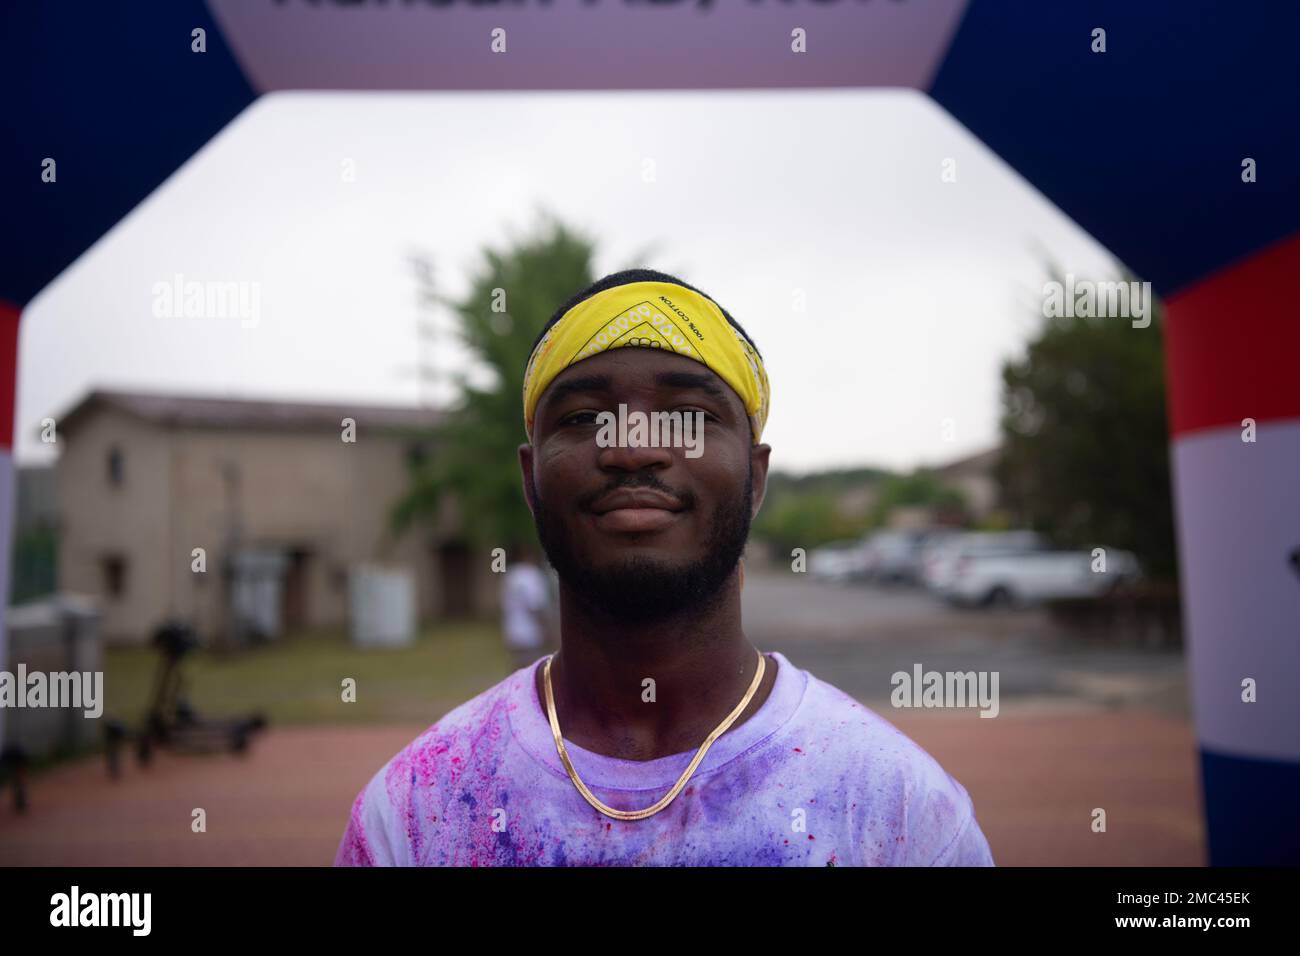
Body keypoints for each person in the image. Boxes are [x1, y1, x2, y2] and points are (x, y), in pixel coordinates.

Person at [334, 269, 995, 866]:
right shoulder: (413, 814)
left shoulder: (904, 815)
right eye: (586, 417)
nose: (631, 448)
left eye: (688, 416)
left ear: (755, 478)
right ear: (532, 478)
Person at [500, 544, 552, 673]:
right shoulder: (532, 575)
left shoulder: (510, 576)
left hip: (512, 630)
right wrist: (546, 628)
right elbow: (535, 606)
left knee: (517, 670)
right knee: (532, 671)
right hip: (530, 632)